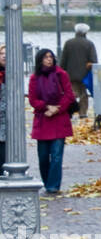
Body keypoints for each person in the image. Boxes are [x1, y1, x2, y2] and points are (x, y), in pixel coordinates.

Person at [29, 48, 75, 196]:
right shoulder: (34, 78)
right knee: (43, 157)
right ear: (40, 59)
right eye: (45, 57)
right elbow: (33, 99)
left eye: (51, 57)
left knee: (56, 155)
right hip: (43, 119)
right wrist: (46, 107)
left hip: (59, 119)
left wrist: (57, 109)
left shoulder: (62, 74)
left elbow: (69, 95)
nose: (49, 59)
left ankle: (53, 186)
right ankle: (47, 181)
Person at [59, 23, 97, 121]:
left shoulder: (68, 43)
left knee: (71, 94)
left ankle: (69, 112)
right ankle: (83, 113)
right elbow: (94, 61)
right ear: (86, 32)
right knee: (83, 94)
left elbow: (63, 60)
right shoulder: (89, 44)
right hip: (85, 75)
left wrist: (61, 72)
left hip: (70, 74)